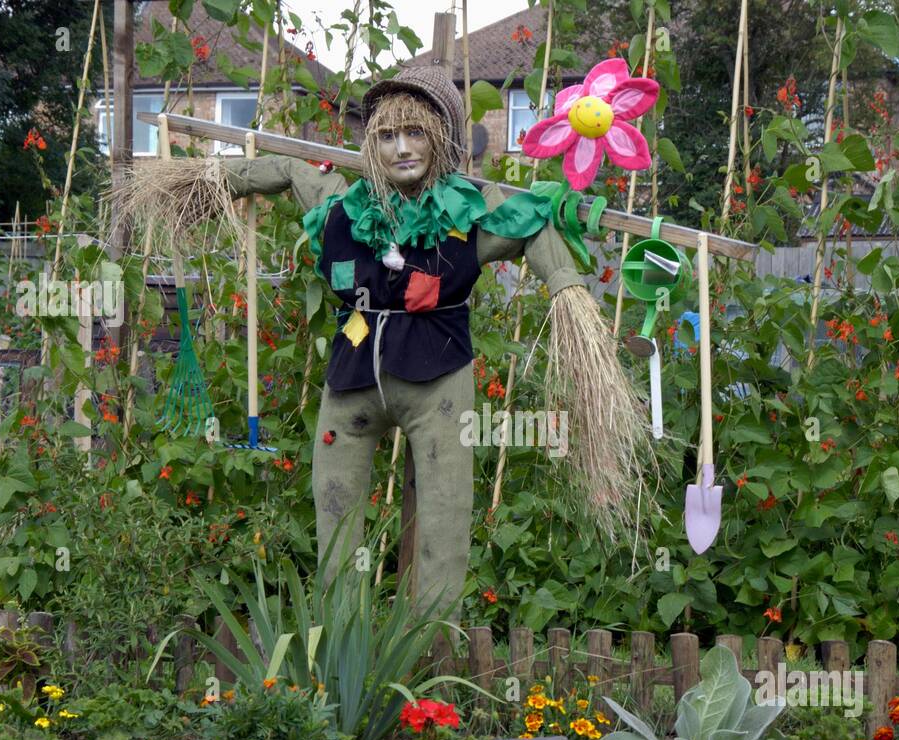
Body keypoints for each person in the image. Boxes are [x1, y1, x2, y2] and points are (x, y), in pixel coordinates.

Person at [219, 66, 640, 623]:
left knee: (444, 515)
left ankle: (429, 644)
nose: (401, 149)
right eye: (387, 136)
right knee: (335, 509)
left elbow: (532, 224)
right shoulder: (344, 206)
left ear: (441, 137)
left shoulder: (469, 210)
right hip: (352, 379)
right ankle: (341, 641)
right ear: (371, 144)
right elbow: (287, 170)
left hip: (438, 377)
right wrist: (215, 178)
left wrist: (566, 290)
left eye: (415, 133)